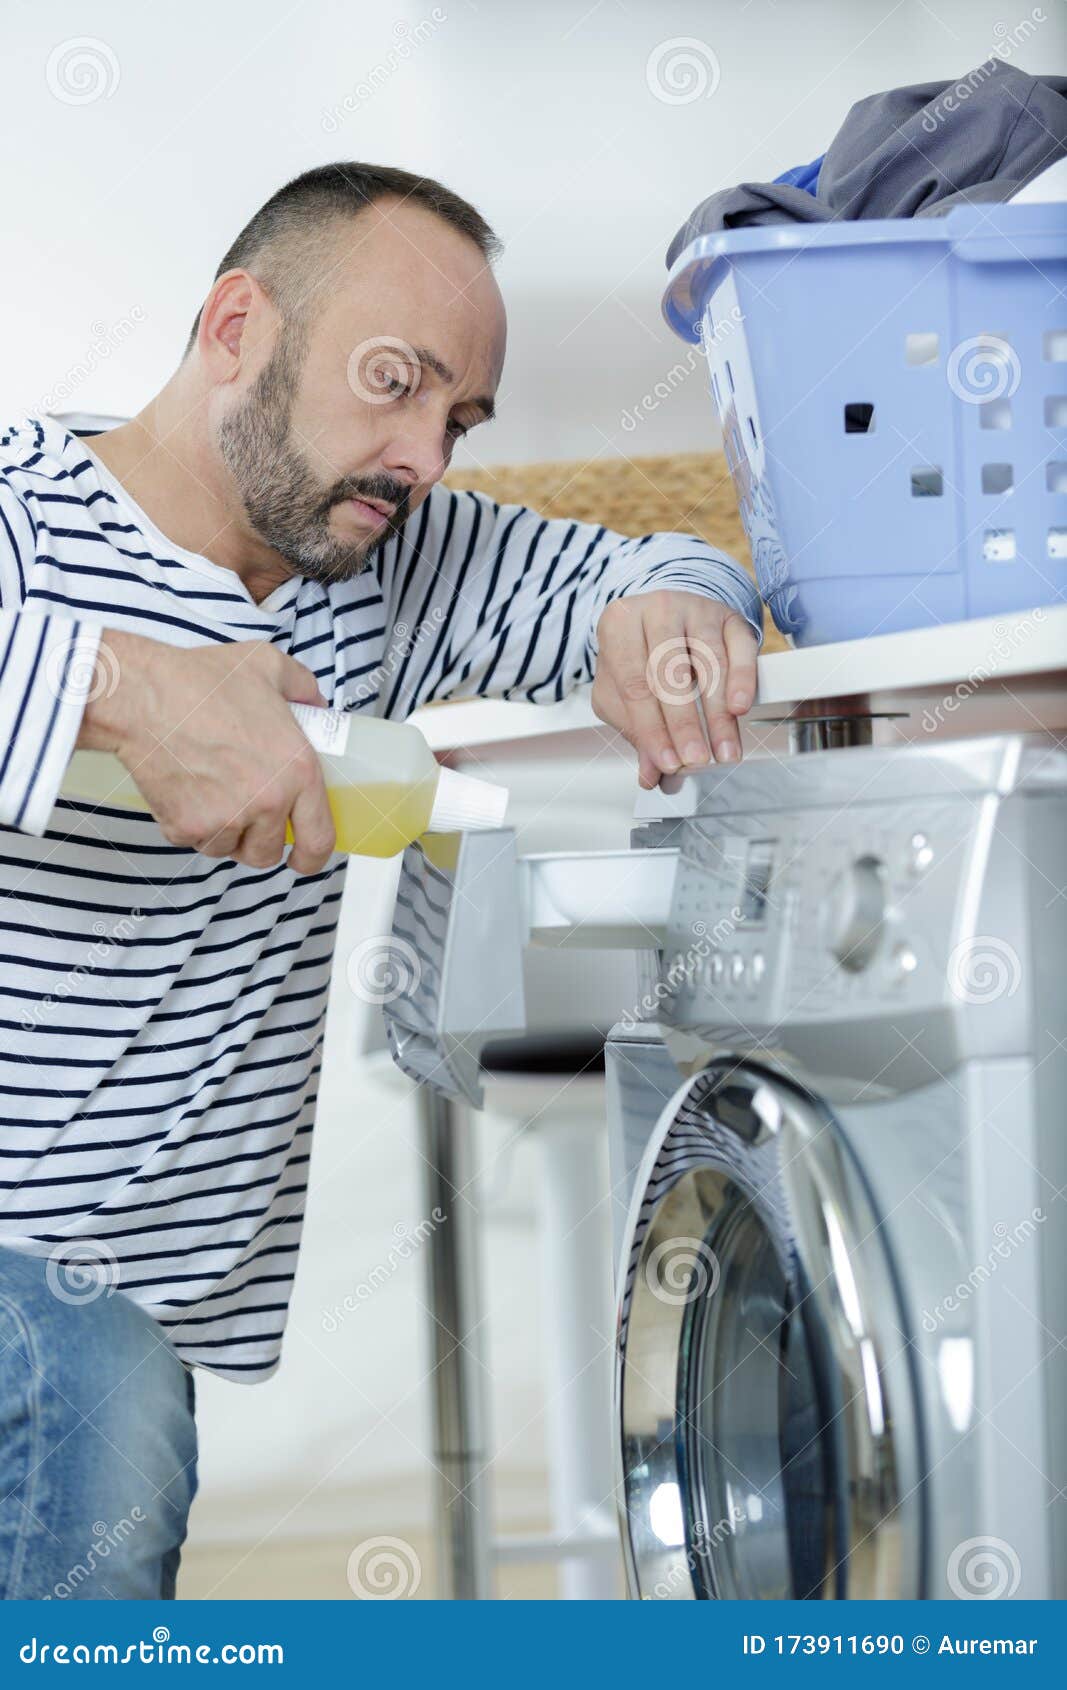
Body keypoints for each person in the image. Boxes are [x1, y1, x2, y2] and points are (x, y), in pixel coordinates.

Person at [0, 162, 760, 1598]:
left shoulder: (390, 566)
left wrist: (681, 605)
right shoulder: (26, 518)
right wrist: (128, 695)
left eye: (457, 418)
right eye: (393, 381)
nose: (425, 455)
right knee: (92, 1383)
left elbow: (646, 565)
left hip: (124, 1318)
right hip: (49, 1319)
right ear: (237, 327)